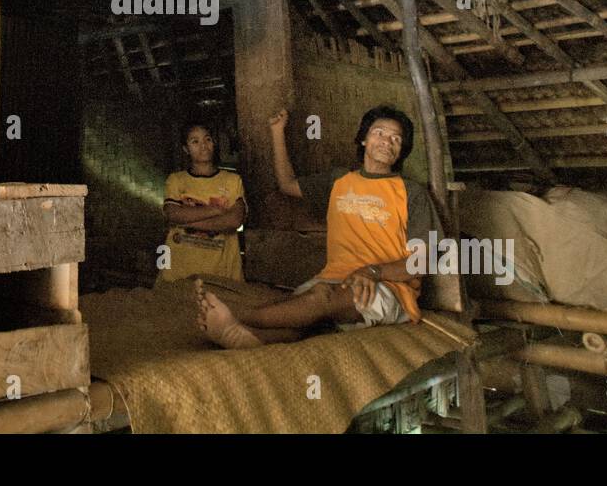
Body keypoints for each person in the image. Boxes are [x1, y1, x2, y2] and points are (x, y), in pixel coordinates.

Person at [196, 105, 436, 348]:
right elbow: (287, 184)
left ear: (401, 150)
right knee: (297, 321)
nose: (387, 141)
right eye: (380, 132)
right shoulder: (339, 181)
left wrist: (373, 272)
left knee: (321, 297)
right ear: (364, 139)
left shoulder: (411, 193)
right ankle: (242, 336)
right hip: (334, 280)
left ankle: (236, 315)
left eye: (396, 138)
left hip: (387, 288)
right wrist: (277, 132)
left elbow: (422, 261)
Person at [157, 122, 246, 284]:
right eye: (195, 141)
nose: (203, 146)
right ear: (186, 149)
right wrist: (216, 210)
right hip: (179, 272)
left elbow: (234, 221)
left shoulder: (232, 181)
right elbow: (173, 214)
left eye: (208, 139)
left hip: (221, 273)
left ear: (214, 144)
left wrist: (187, 220)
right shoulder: (176, 180)